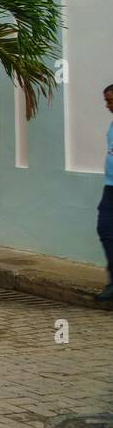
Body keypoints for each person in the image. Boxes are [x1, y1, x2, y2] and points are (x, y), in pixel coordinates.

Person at [98, 85, 113, 301]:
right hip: (110, 186)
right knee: (105, 228)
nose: (108, 105)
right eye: (106, 101)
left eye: (110, 100)